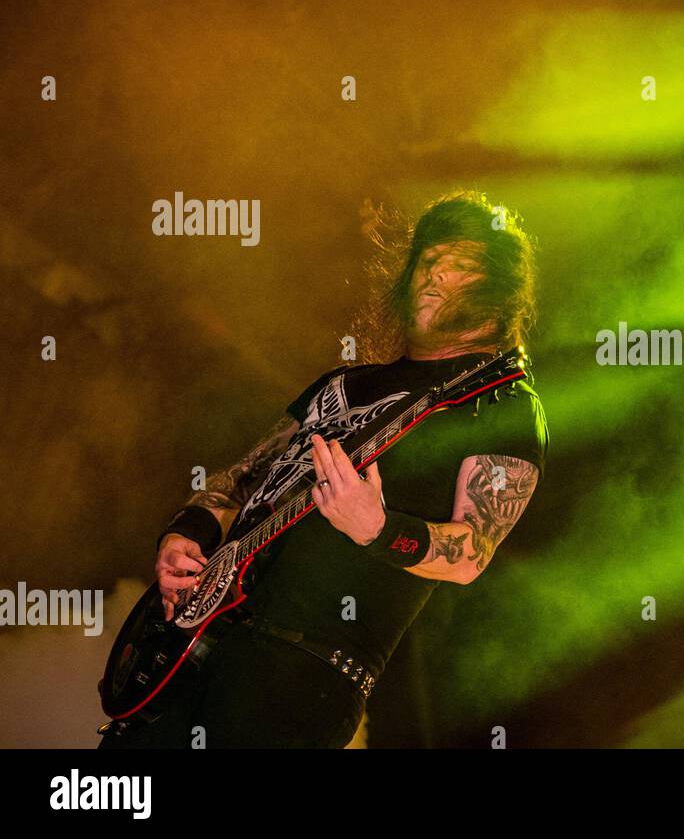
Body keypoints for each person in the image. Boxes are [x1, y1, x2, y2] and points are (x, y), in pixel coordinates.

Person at [99, 191, 548, 748]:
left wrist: (381, 530)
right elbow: (239, 478)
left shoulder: (501, 403)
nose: (433, 278)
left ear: (500, 292)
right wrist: (184, 533)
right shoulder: (344, 385)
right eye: (427, 263)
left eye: (459, 266)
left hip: (302, 677)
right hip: (197, 643)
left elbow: (472, 553)